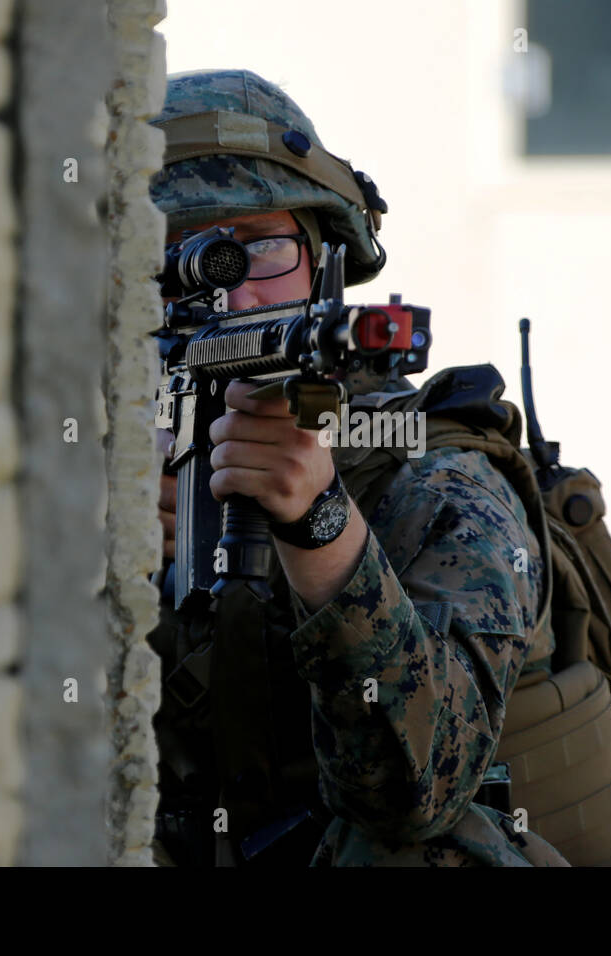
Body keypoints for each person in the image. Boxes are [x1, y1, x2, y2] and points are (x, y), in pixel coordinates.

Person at [147, 68, 568, 866]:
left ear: (325, 260)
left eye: (260, 249)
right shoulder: (83, 455)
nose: (229, 298)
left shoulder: (434, 473)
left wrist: (322, 531)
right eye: (170, 264)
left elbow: (417, 797)